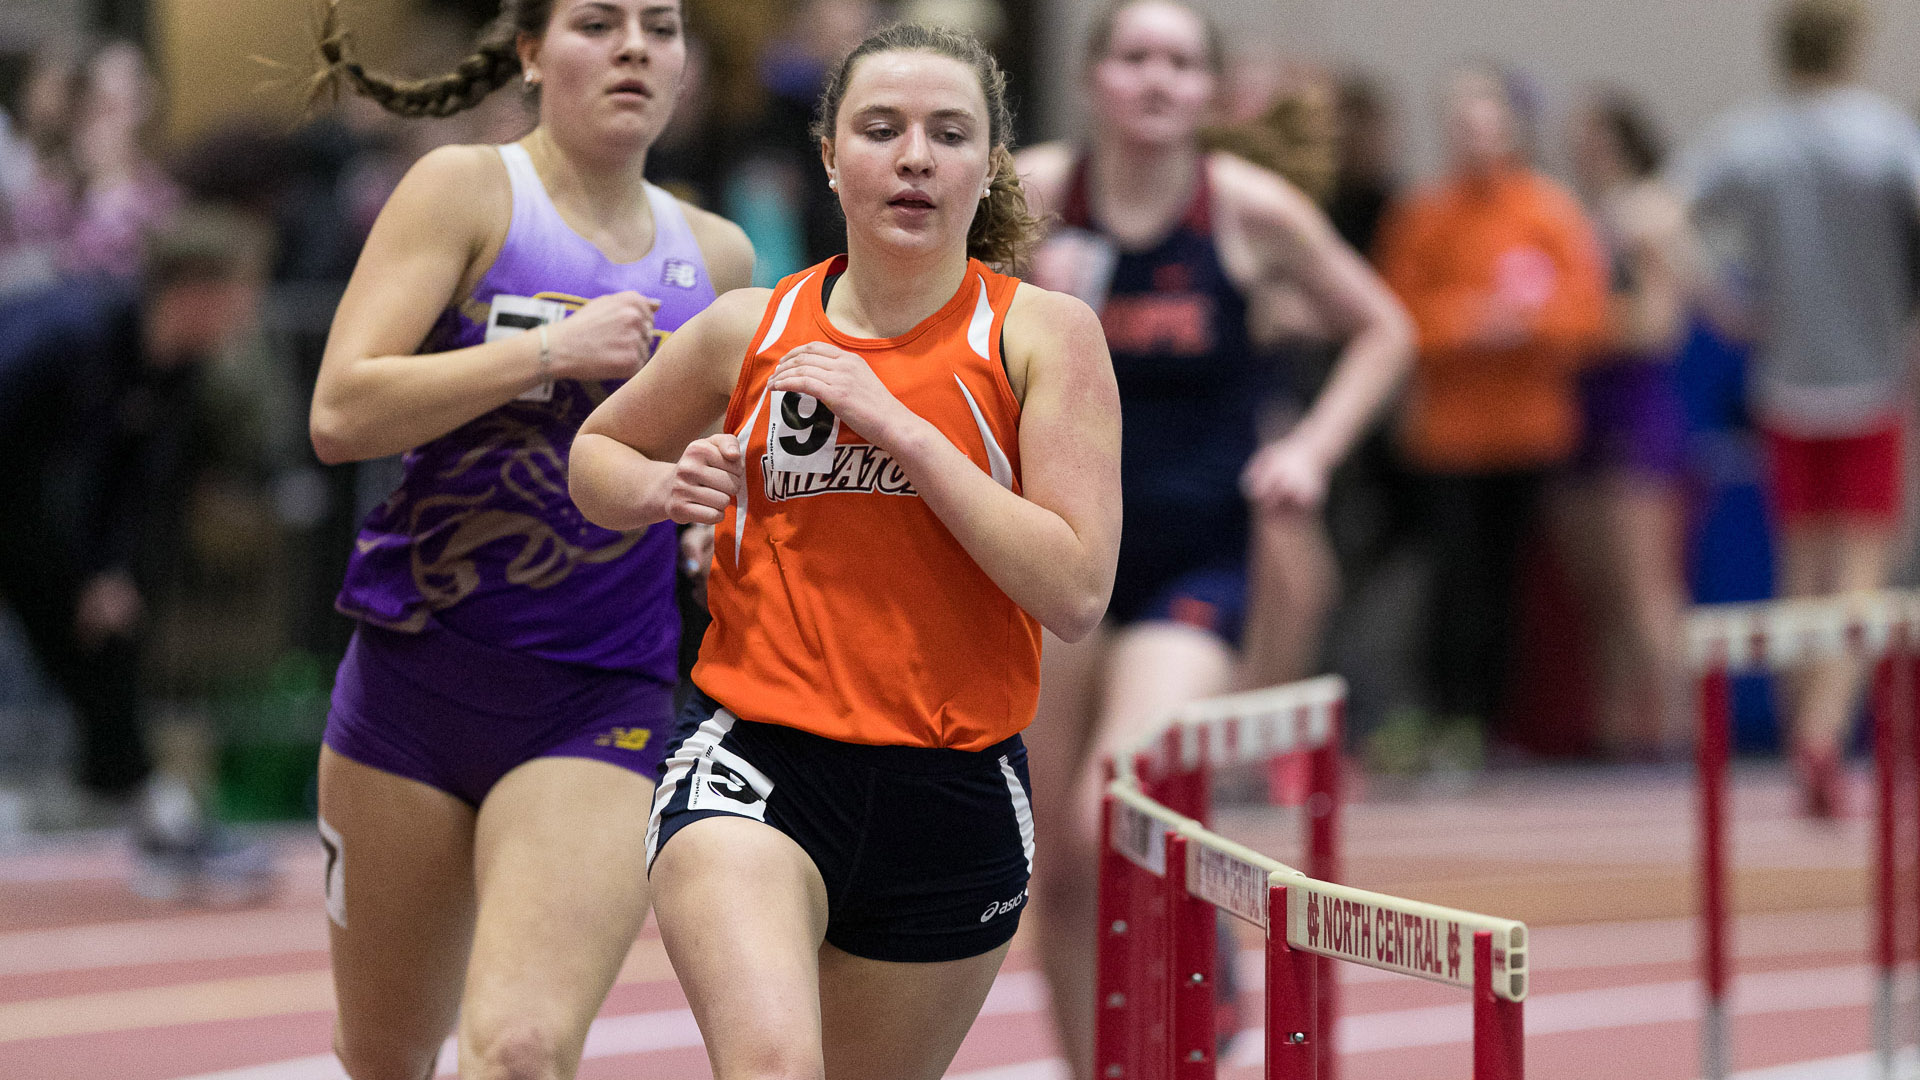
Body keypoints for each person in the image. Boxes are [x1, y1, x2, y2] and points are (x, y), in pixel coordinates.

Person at [568, 23, 1121, 1080]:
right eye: (882, 129)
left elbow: (1077, 585)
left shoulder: (1045, 337)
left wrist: (906, 429)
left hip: (952, 787)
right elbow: (595, 454)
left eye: (948, 134)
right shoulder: (749, 330)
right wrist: (657, 488)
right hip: (758, 757)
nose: (914, 156)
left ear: (988, 164)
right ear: (831, 154)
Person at [304, 0, 752, 1076]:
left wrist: (707, 508)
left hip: (601, 695)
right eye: (600, 22)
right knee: (386, 1057)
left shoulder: (720, 257)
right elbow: (340, 412)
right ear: (530, 52)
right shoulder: (465, 191)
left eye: (663, 24)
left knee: (518, 1049)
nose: (638, 47)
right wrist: (550, 350)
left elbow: (721, 472)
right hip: (413, 684)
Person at [1012, 3, 1412, 1074]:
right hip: (1054, 560)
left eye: (1180, 63)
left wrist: (1313, 450)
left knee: (1117, 810)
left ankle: (1201, 979)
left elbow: (1385, 326)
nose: (1155, 79)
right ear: (1095, 78)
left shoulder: (1245, 209)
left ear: (1207, 92)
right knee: (1057, 863)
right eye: (1134, 57)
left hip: (1192, 561)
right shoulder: (1032, 199)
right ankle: (1096, 1061)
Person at [1680, 0, 1920, 817]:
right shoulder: (1887, 138)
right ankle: (1824, 729)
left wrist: (1722, 304)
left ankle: (1798, 738)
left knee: (1797, 573)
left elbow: (1651, 215)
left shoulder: (1751, 138)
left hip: (1785, 382)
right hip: (1873, 382)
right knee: (1860, 572)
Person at [0, 206, 273, 898]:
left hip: (28, 511)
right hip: (15, 495)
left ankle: (154, 817)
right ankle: (154, 815)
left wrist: (105, 572)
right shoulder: (72, 333)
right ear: (196, 289)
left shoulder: (171, 368)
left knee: (106, 630)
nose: (251, 310)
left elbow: (127, 481)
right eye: (243, 290)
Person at [1374, 64, 1609, 768]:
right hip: (1447, 439)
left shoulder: (1549, 212)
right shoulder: (1422, 217)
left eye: (1489, 122)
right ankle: (1448, 718)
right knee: (1454, 582)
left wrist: (1526, 324)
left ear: (1511, 129)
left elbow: (1589, 315)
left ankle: (1497, 726)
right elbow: (1394, 317)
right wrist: (1466, 323)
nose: (1477, 137)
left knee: (1511, 587)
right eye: (1463, 123)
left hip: (1530, 433)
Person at [1557, 89, 1695, 761]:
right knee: (1600, 590)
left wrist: (1568, 323)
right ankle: (1616, 729)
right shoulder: (1579, 214)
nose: (1582, 152)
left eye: (1595, 139)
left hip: (1635, 408)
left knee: (1644, 583)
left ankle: (1676, 729)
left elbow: (1660, 325)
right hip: (1582, 408)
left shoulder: (1646, 214)